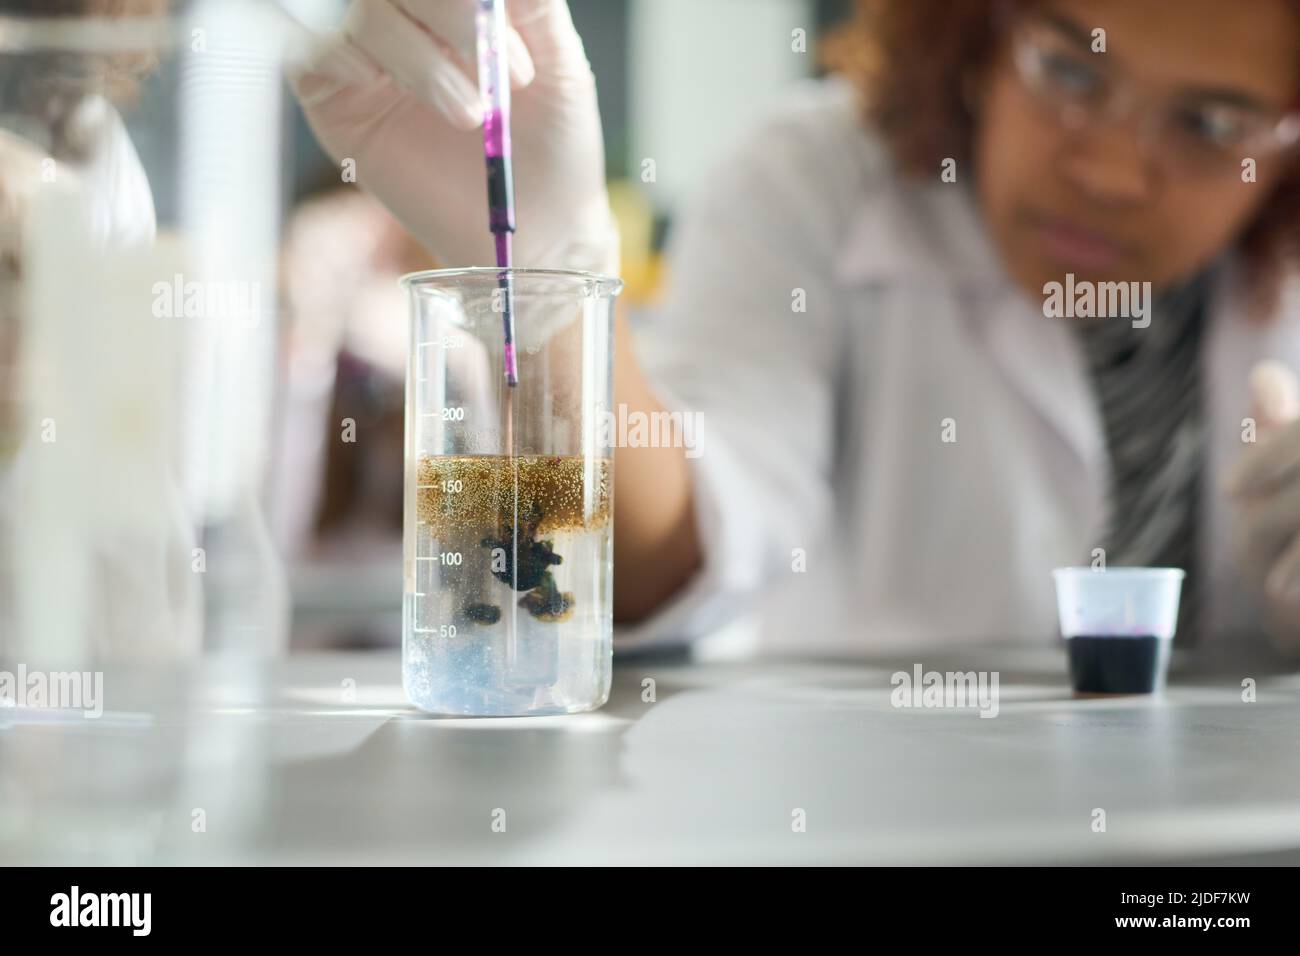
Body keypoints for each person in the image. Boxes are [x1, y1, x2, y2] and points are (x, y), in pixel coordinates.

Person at [293, 0, 1300, 659]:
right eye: (1068, 72)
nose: (1114, 172)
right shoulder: (813, 182)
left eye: (1212, 126)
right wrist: (546, 280)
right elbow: (673, 554)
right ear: (976, 33)